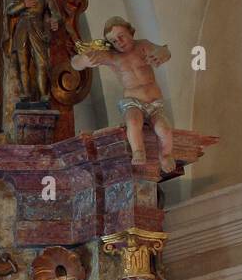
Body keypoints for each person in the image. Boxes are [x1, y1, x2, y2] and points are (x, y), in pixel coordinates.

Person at [70, 16, 176, 173]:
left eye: (121, 36)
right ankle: (138, 151)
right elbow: (75, 62)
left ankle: (166, 154)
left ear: (131, 32)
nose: (118, 42)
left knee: (164, 129)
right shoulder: (112, 56)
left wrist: (161, 53)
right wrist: (83, 61)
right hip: (132, 101)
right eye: (113, 41)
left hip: (154, 103)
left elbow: (164, 51)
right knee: (133, 122)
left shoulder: (143, 46)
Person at [5, 0, 61, 104]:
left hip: (38, 29)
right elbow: (9, 10)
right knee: (23, 63)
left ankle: (44, 94)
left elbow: (56, 14)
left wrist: (54, 20)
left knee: (41, 63)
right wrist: (24, 4)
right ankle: (25, 93)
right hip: (22, 28)